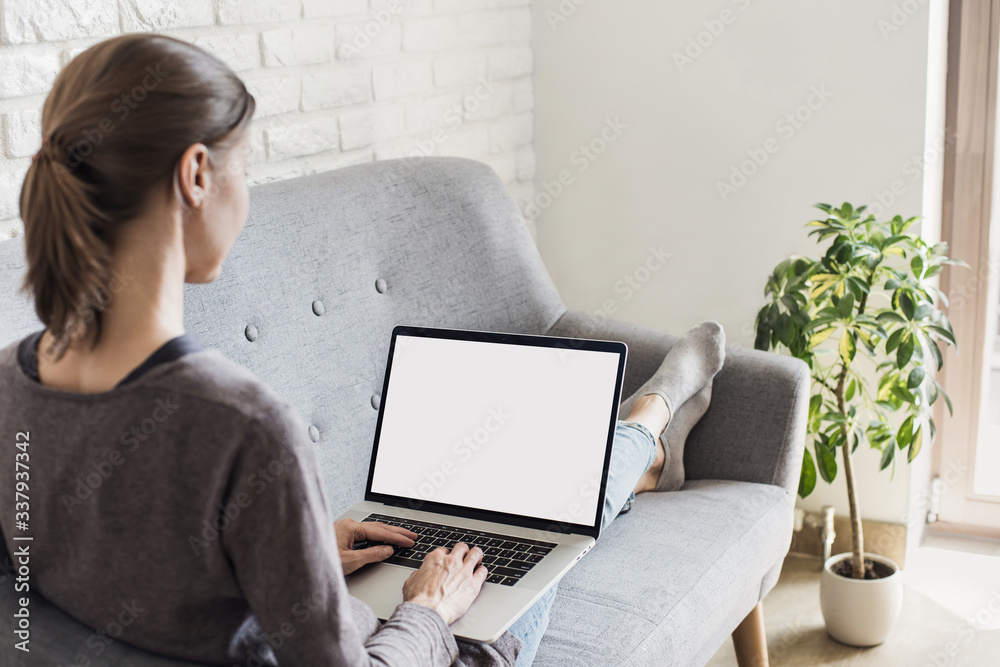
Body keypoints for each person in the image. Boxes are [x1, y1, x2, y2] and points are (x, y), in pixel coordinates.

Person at [0, 34, 725, 666]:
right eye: (243, 166)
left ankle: (644, 436)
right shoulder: (244, 425)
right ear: (195, 175)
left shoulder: (12, 383)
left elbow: (121, 561)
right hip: (403, 647)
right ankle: (647, 429)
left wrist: (297, 548)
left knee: (528, 510)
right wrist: (430, 610)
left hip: (312, 622)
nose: (244, 194)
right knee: (548, 523)